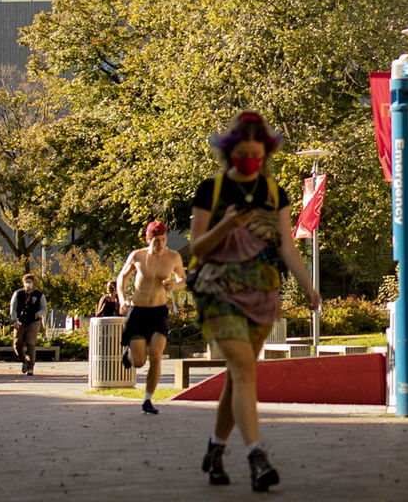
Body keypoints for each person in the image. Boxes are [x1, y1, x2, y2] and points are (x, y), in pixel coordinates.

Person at [185, 112, 319, 492]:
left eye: (256, 155)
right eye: (242, 153)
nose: (249, 160)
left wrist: (308, 285)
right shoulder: (209, 190)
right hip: (217, 291)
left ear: (265, 154)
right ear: (230, 154)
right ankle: (257, 456)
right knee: (244, 368)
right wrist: (226, 224)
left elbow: (287, 244)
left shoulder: (274, 192)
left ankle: (215, 450)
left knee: (237, 376)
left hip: (262, 292)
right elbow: (196, 248)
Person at [116, 220, 185, 414]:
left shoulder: (173, 257)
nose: (160, 244)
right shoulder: (137, 256)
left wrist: (175, 285)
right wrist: (122, 300)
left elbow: (182, 279)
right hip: (138, 311)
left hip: (158, 312)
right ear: (148, 239)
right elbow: (122, 277)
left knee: (156, 356)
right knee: (139, 362)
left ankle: (147, 400)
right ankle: (130, 353)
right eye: (155, 241)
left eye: (163, 240)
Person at [8, 274, 48, 376]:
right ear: (23, 283)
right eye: (26, 281)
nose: (28, 284)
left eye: (30, 281)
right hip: (20, 322)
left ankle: (31, 365)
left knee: (31, 342)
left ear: (33, 283)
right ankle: (24, 360)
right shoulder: (18, 294)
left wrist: (38, 315)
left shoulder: (39, 295)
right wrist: (14, 320)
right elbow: (13, 307)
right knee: (17, 343)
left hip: (33, 322)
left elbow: (44, 308)